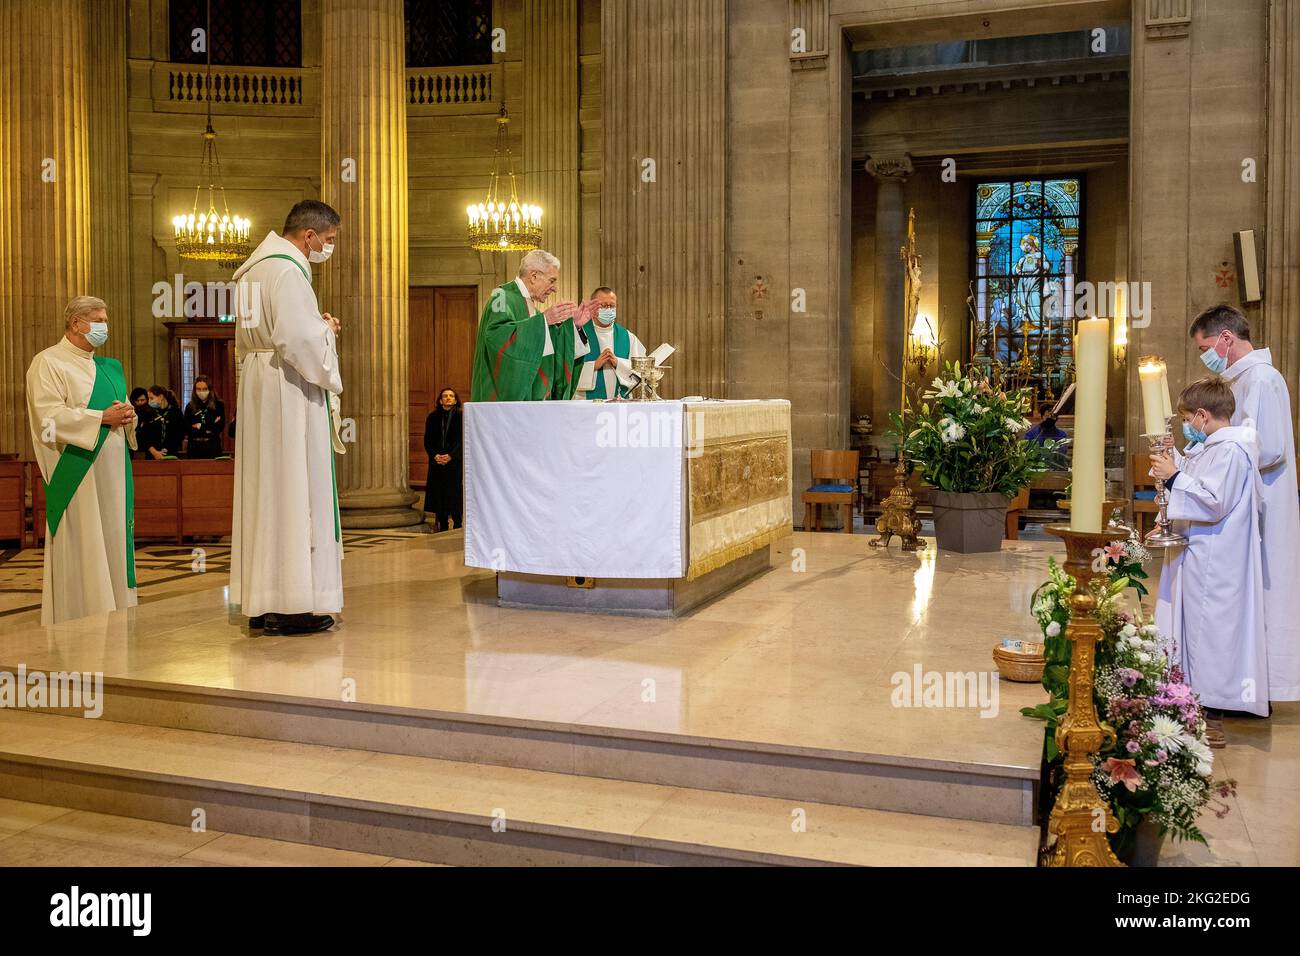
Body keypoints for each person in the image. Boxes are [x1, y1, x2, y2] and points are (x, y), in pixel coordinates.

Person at [230, 199, 344, 636]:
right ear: (309, 236)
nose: (328, 249)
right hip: (287, 387)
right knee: (296, 489)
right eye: (328, 241)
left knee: (265, 491)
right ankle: (295, 604)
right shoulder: (289, 271)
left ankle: (262, 601)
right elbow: (297, 342)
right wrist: (327, 333)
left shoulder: (252, 271)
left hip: (259, 382)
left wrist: (314, 328)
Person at [1187, 305, 1299, 704]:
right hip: (1244, 501)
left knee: (1265, 592)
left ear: (1226, 339)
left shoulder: (1263, 379)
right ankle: (1238, 686)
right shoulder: (1242, 379)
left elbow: (1268, 446)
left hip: (1264, 503)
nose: (1205, 355)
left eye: (1206, 347)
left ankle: (1260, 688)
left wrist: (1216, 442)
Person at [1152, 378, 1269, 746]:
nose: (1187, 426)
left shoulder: (1233, 450)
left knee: (1212, 634)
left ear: (1202, 415)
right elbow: (1201, 477)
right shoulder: (1217, 446)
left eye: (1188, 419)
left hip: (1219, 559)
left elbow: (1213, 500)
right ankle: (1187, 698)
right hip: (1203, 551)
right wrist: (1180, 460)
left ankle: (1211, 711)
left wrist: (1173, 476)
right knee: (1196, 631)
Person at [25, 296, 138, 624]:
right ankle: (80, 617)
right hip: (77, 472)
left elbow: (123, 411)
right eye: (99, 320)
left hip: (114, 471)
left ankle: (116, 613)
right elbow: (47, 419)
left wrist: (129, 416)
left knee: (113, 538)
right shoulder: (48, 363)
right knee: (85, 540)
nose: (105, 327)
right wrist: (99, 417)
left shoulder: (109, 368)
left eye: (105, 320)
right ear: (76, 324)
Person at [470, 249, 597, 401]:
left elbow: (551, 352)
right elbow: (496, 337)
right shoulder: (501, 296)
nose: (555, 288)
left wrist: (573, 328)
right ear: (534, 276)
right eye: (552, 280)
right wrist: (544, 321)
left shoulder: (533, 311)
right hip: (502, 403)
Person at [574, 286, 646, 401]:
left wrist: (618, 363)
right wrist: (594, 365)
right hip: (586, 403)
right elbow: (567, 369)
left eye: (611, 306)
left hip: (621, 405)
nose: (608, 309)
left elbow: (641, 372)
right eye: (603, 305)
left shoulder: (627, 337)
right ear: (593, 307)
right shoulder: (578, 334)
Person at [423, 388, 463, 531]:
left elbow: (462, 439)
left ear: (455, 400)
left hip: (454, 462)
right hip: (437, 462)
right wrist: (435, 455)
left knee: (455, 493)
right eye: (445, 396)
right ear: (440, 401)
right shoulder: (432, 417)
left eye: (451, 396)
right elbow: (427, 440)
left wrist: (451, 455)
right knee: (439, 493)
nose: (448, 398)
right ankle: (443, 524)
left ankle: (458, 524)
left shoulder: (461, 416)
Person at [184, 374, 226, 458]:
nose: (201, 391)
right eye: (198, 389)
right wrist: (209, 427)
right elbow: (186, 428)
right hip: (194, 448)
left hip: (212, 446)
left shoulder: (218, 405)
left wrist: (198, 426)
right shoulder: (189, 406)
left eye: (204, 389)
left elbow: (219, 427)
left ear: (210, 389)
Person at [141, 385, 182, 459]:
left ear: (161, 397)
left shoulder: (176, 412)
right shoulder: (147, 412)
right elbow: (144, 435)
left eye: (151, 398)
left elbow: (178, 434)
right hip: (152, 455)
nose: (149, 401)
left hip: (170, 453)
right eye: (148, 399)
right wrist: (154, 452)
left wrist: (167, 449)